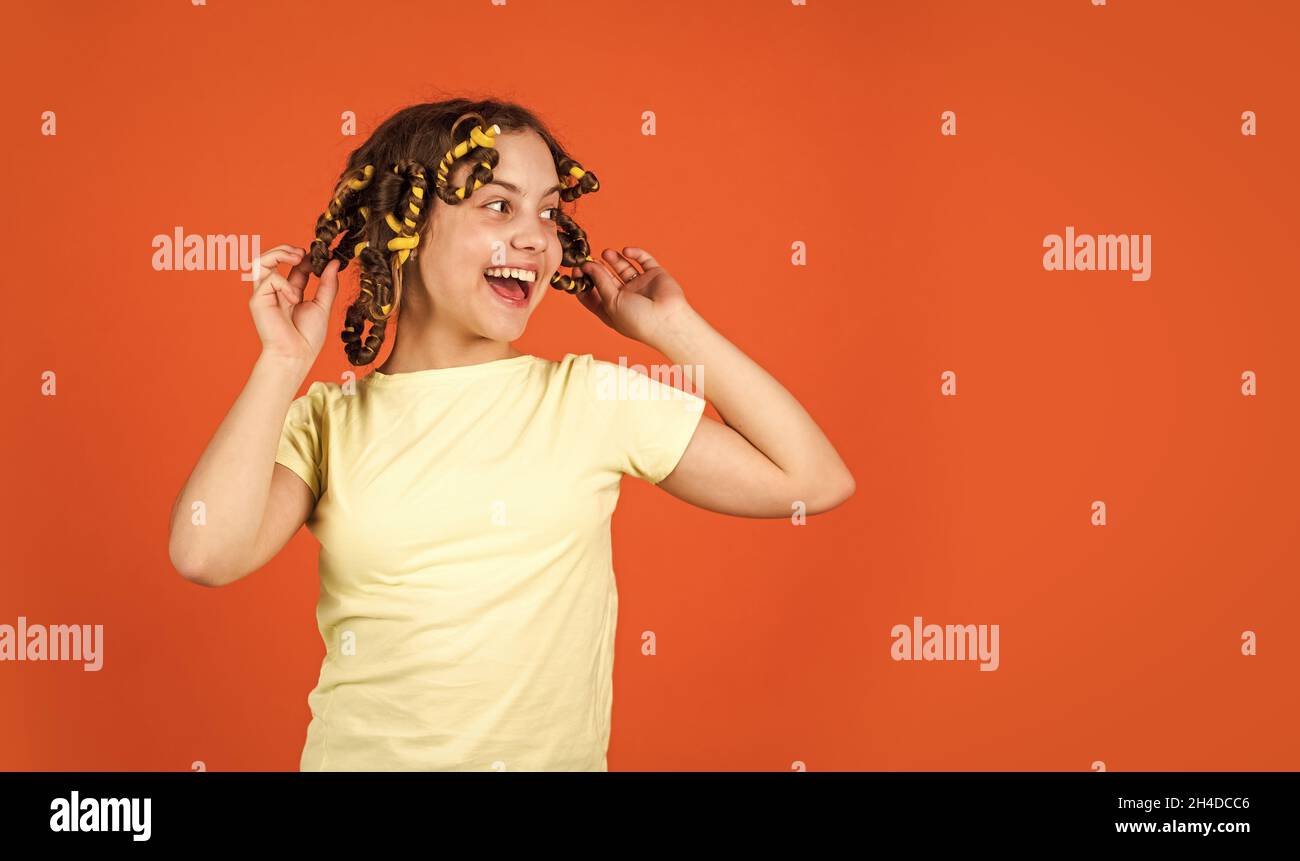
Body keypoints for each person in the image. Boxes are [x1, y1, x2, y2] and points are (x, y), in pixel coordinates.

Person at [167, 98, 855, 771]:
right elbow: (206, 551)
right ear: (405, 226)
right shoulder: (327, 421)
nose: (537, 237)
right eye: (498, 205)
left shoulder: (589, 398)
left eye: (550, 211)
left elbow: (812, 479)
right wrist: (280, 364)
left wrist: (673, 330)